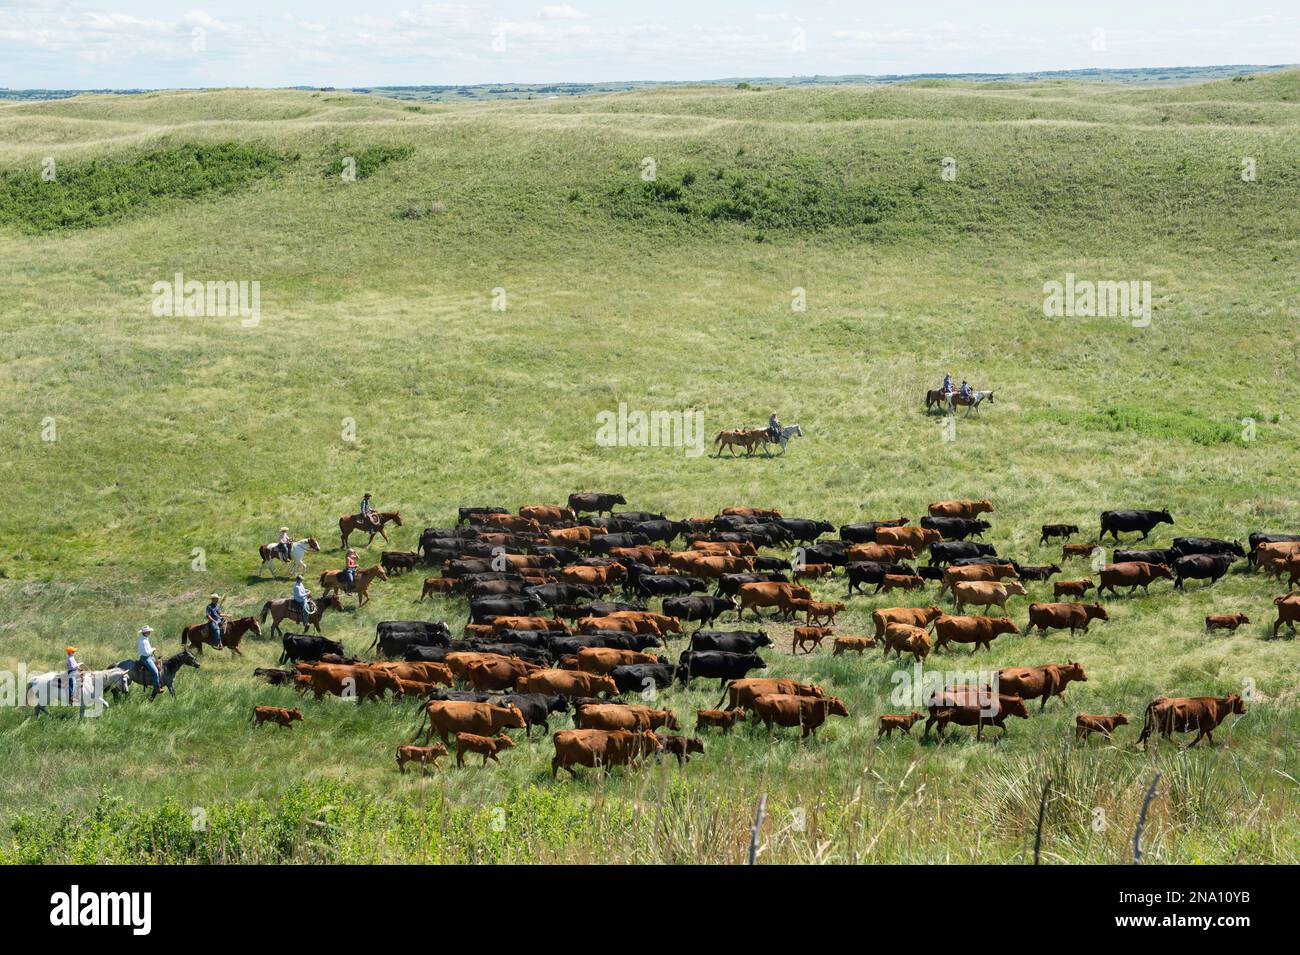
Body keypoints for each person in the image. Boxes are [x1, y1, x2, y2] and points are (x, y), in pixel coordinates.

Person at [137, 626, 162, 700]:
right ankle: (157, 688)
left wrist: (151, 650)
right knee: (155, 672)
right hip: (146, 658)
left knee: (159, 665)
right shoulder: (144, 641)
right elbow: (147, 652)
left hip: (148, 656)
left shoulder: (145, 639)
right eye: (148, 631)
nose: (149, 632)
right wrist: (153, 649)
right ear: (144, 632)